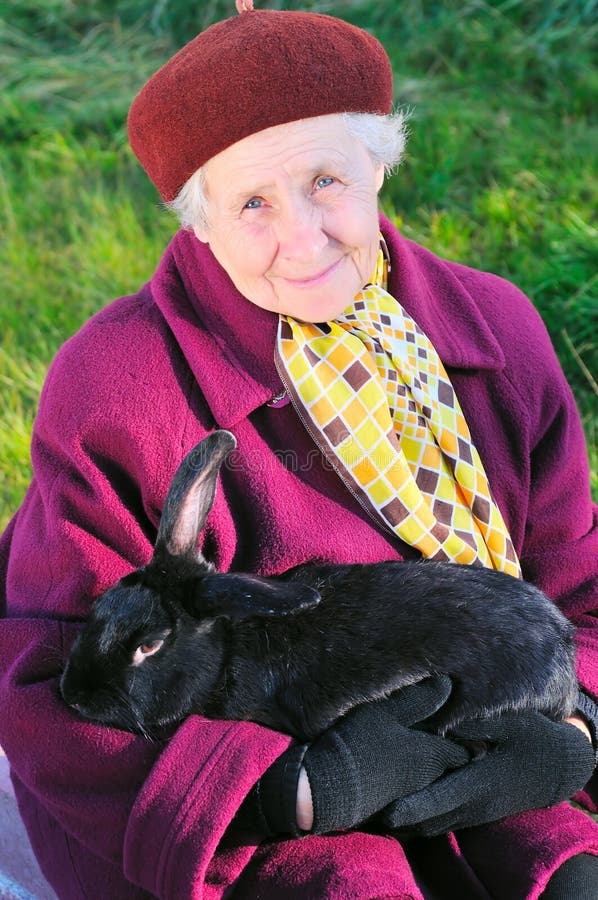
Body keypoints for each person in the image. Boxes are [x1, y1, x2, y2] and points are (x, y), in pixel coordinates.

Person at [1, 4, 597, 898]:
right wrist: (297, 792)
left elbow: (579, 586)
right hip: (247, 791)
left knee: (567, 872)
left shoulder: (497, 332)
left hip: (480, 722)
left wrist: (572, 722)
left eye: (326, 180)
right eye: (251, 203)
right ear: (198, 222)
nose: (303, 238)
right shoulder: (115, 385)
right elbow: (54, 685)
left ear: (381, 164)